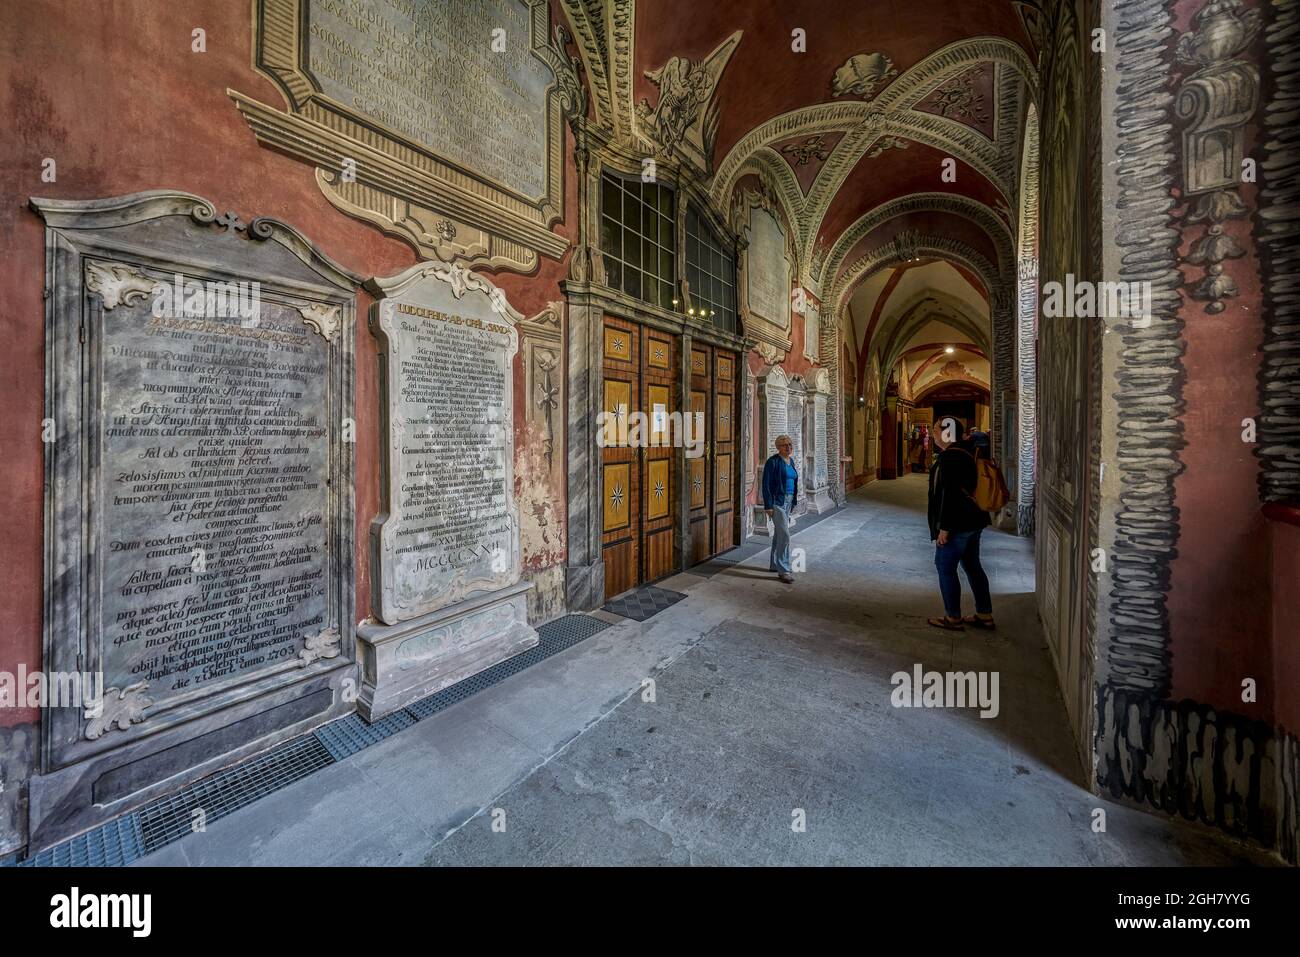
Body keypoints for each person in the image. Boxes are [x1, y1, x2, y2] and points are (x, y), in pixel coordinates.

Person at [927, 416, 994, 631]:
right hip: (973, 520)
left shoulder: (951, 457)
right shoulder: (965, 451)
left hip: (958, 524)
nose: (933, 433)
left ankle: (952, 617)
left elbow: (951, 495)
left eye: (936, 429)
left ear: (947, 432)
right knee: (973, 566)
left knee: (945, 567)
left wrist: (944, 528)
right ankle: (984, 614)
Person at [762, 434, 798, 584]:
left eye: (790, 444)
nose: (788, 447)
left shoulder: (791, 461)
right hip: (777, 502)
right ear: (778, 447)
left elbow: (794, 482)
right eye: (785, 445)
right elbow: (766, 485)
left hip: (788, 501)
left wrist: (793, 501)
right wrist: (768, 506)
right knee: (785, 535)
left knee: (779, 534)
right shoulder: (773, 462)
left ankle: (774, 565)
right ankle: (784, 570)